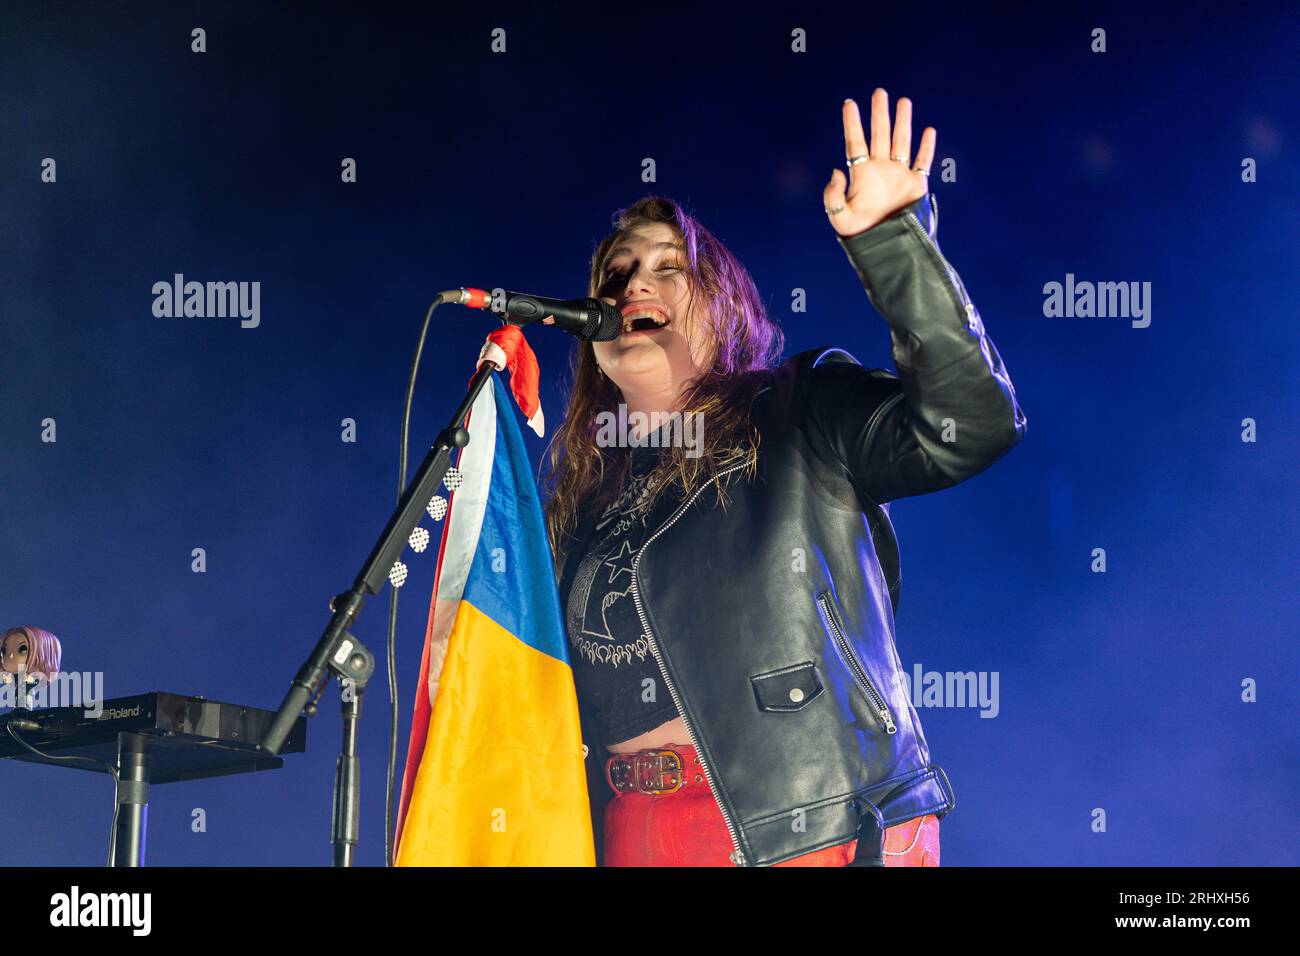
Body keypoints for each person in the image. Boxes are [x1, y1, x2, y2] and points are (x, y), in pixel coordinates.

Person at [543, 89, 1027, 866]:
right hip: (630, 828)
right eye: (618, 272)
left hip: (807, 817)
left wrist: (892, 242)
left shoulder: (799, 411)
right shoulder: (580, 499)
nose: (634, 284)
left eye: (670, 269)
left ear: (724, 308)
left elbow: (969, 426)